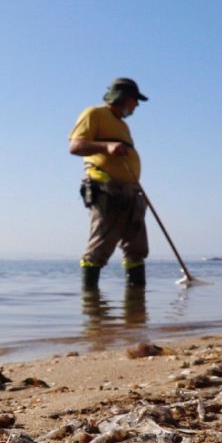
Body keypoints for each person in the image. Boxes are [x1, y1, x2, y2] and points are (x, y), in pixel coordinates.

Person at [69, 78, 149, 288]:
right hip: (106, 190)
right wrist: (107, 146)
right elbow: (75, 146)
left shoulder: (123, 125)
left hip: (131, 191)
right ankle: (91, 305)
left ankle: (136, 311)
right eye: (135, 100)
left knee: (136, 248)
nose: (136, 106)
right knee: (100, 246)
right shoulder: (94, 113)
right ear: (123, 97)